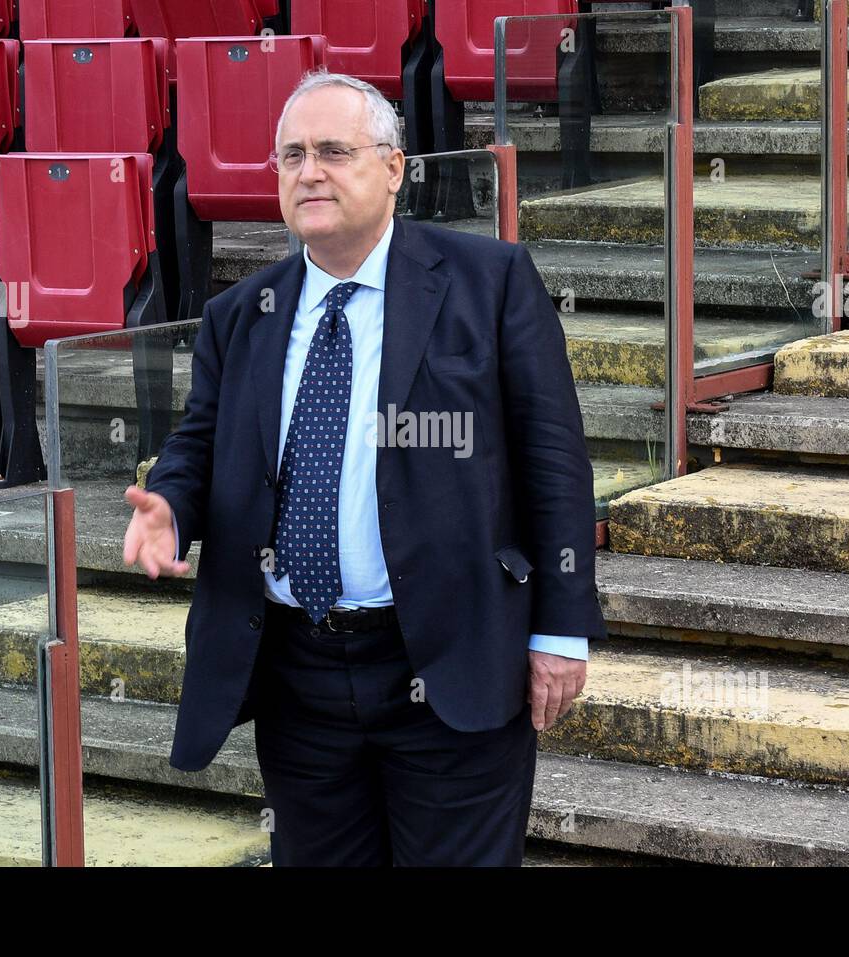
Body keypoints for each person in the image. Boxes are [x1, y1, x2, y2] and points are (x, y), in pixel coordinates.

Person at [122, 69, 606, 866]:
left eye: (333, 151)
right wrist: (173, 504)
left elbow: (554, 460)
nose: (309, 171)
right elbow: (202, 444)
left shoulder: (489, 282)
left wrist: (561, 629)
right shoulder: (239, 314)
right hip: (297, 673)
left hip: (448, 660)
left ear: (392, 167)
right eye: (291, 155)